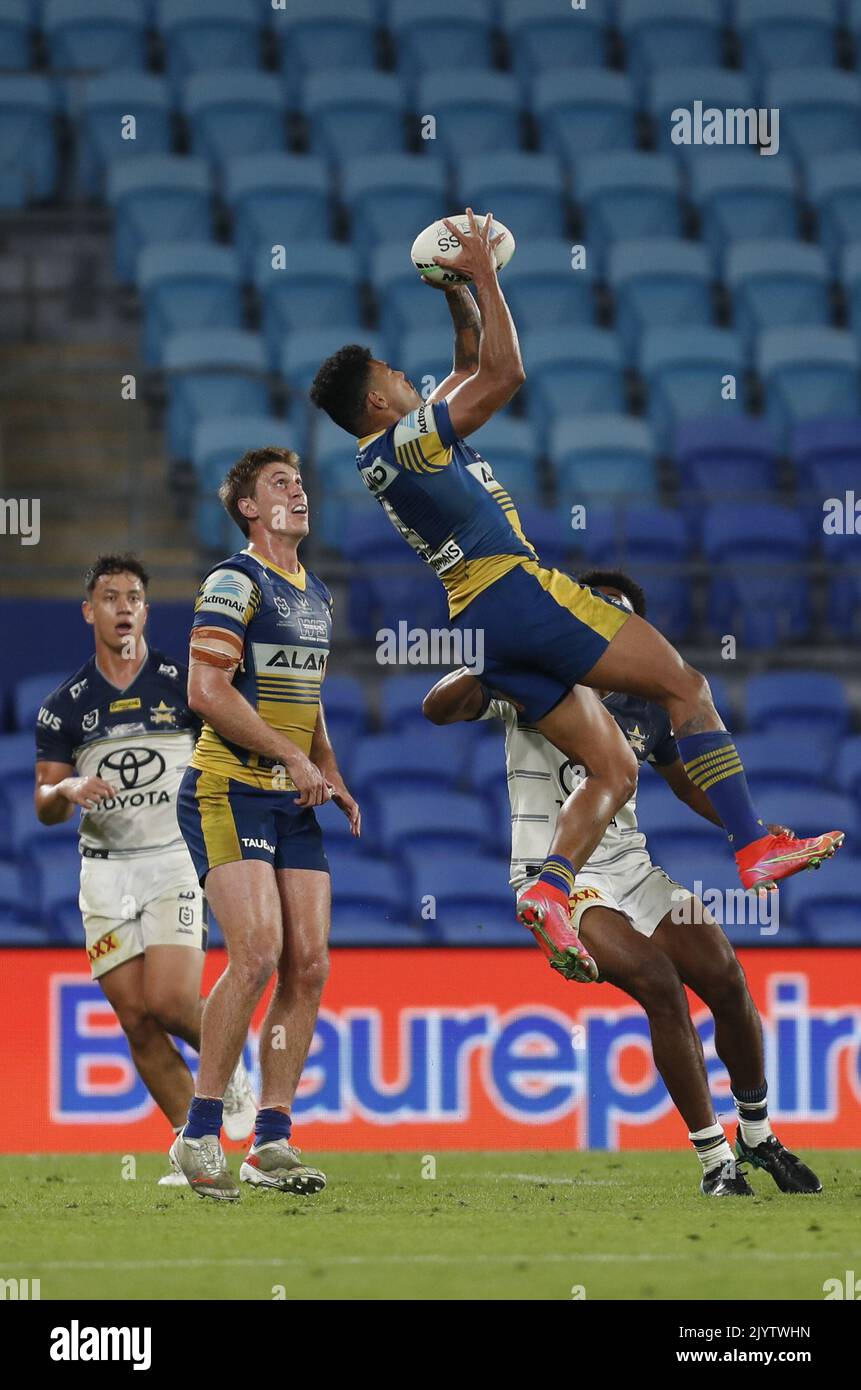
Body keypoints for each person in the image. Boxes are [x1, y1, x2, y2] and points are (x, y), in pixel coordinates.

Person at [309, 209, 843, 985]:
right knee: (684, 686)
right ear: (379, 404)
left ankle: (551, 890)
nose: (405, 376)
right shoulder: (411, 441)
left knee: (614, 770)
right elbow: (501, 376)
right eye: (392, 375)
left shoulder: (389, 450)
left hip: (481, 625)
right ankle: (754, 845)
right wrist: (487, 273)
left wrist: (456, 288)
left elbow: (466, 358)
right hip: (516, 590)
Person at [421, 569, 822, 1197]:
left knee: (724, 972)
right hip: (557, 874)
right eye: (597, 610)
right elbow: (438, 707)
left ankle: (757, 1131)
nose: (607, 622)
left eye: (620, 616)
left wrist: (751, 830)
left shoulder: (646, 703)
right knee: (659, 984)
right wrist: (481, 663)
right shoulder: (533, 681)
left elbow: (687, 783)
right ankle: (715, 1159)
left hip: (632, 867)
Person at [171, 447, 360, 1201]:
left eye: (300, 482)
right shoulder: (232, 580)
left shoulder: (314, 592)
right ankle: (199, 1133)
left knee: (308, 963)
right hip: (226, 788)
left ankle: (272, 1139)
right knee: (255, 952)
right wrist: (290, 756)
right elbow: (206, 689)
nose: (298, 491)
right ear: (248, 507)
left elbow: (303, 694)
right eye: (279, 484)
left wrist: (328, 767)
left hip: (290, 796)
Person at [34, 554, 257, 1179]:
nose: (124, 607)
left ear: (146, 610)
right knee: (135, 1018)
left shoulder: (182, 685)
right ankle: (197, 1149)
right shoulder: (64, 706)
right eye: (110, 597)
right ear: (89, 611)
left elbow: (229, 749)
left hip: (172, 861)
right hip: (104, 871)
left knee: (167, 998)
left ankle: (229, 1068)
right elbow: (43, 802)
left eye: (134, 596)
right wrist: (70, 787)